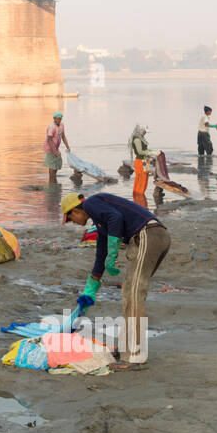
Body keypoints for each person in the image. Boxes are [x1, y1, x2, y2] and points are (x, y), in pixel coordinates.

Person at [62, 191, 171, 370]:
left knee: (134, 294)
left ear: (76, 210)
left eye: (70, 218)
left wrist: (114, 251)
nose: (72, 222)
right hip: (153, 237)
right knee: (129, 292)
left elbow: (116, 218)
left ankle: (134, 356)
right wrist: (91, 286)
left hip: (149, 236)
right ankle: (124, 349)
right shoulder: (100, 221)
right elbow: (101, 253)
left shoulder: (91, 203)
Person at [128, 123, 156, 199]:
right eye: (144, 131)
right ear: (140, 130)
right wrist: (150, 153)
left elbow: (145, 149)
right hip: (140, 161)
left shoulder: (141, 138)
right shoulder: (137, 139)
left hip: (145, 160)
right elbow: (140, 152)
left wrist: (153, 152)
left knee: (145, 178)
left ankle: (141, 197)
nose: (145, 133)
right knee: (140, 179)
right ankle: (138, 197)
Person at [44, 111, 70, 182]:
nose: (58, 120)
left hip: (56, 148)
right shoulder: (51, 127)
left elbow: (63, 136)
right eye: (57, 119)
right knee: (52, 166)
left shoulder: (61, 125)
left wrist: (67, 146)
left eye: (60, 119)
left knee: (57, 165)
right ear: (54, 119)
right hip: (49, 149)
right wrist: (54, 152)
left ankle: (53, 180)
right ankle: (52, 182)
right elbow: (49, 140)